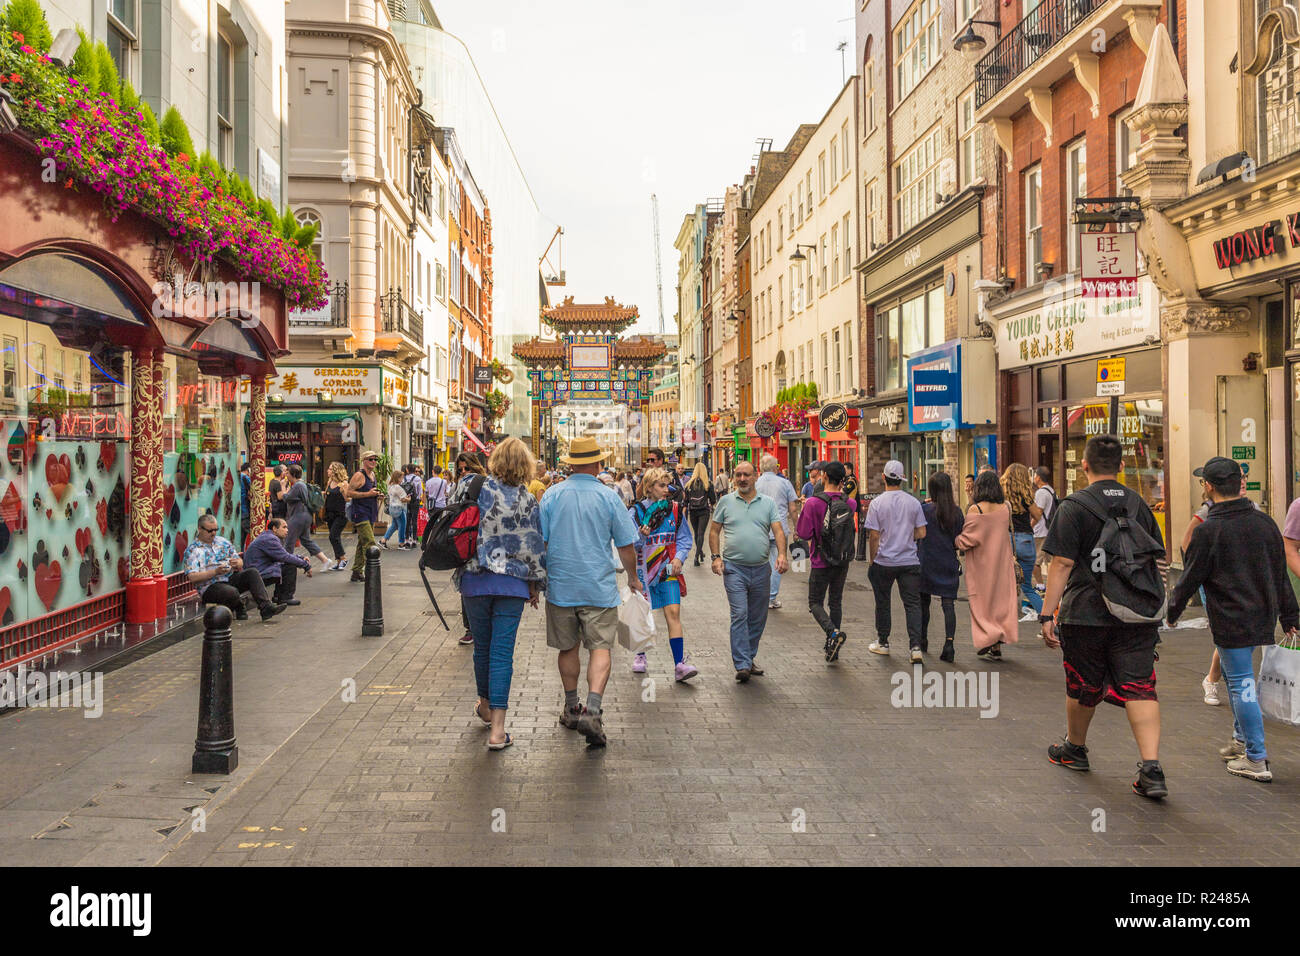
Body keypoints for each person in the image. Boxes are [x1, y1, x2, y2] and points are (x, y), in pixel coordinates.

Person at [1039, 435, 1168, 800]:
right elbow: (1155, 556)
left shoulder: (1074, 506)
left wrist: (1047, 614)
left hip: (1086, 612)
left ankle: (1075, 749)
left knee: (1082, 683)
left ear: (1084, 466)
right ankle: (1151, 768)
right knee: (1141, 685)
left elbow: (1061, 563)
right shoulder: (1139, 504)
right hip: (1136, 613)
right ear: (1123, 467)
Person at [1168, 457, 1298, 783]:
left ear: (1208, 487)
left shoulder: (1209, 530)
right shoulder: (1265, 523)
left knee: (1242, 686)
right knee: (1236, 678)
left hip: (1230, 619)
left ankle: (1256, 757)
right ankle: (1241, 739)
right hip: (1262, 616)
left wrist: (1172, 610)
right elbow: (1279, 574)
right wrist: (1290, 615)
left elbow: (1190, 577)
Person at [540, 436, 641, 747]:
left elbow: (540, 543)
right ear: (598, 464)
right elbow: (626, 546)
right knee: (600, 648)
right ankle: (593, 710)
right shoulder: (609, 497)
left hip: (561, 586)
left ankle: (572, 708)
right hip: (598, 586)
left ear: (571, 465)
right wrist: (634, 578)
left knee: (568, 649)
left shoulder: (551, 496)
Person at [455, 437, 546, 751]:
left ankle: (483, 703)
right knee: (502, 653)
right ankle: (497, 730)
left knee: (482, 647)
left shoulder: (473, 487)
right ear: (525, 466)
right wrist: (535, 585)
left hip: (475, 579)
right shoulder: (527, 500)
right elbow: (535, 546)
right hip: (512, 584)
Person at [709, 459, 789, 682]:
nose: (742, 479)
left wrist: (782, 555)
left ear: (756, 476)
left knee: (758, 617)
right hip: (734, 569)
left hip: (762, 569)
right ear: (734, 478)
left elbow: (779, 531)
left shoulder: (768, 503)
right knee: (740, 614)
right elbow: (714, 531)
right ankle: (742, 663)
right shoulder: (725, 502)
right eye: (738, 475)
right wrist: (716, 557)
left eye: (746, 475)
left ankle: (749, 656)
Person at [629, 467, 698, 681]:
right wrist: (640, 537)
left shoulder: (675, 510)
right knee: (643, 614)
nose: (666, 490)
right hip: (643, 570)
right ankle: (640, 655)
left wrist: (679, 558)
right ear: (649, 488)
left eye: (667, 485)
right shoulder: (636, 512)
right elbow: (627, 544)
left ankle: (679, 664)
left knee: (674, 613)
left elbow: (684, 538)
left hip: (668, 570)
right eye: (661, 485)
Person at [864, 460, 927, 662]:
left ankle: (883, 642)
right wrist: (907, 537)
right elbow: (922, 532)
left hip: (884, 561)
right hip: (909, 560)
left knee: (883, 602)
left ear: (883, 477)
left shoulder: (877, 503)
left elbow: (874, 536)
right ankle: (915, 647)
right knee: (912, 604)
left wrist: (872, 559)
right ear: (901, 479)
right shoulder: (913, 502)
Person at [796, 460, 857, 663]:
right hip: (842, 560)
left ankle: (832, 633)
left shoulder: (813, 503)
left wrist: (803, 511)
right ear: (842, 480)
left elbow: (803, 533)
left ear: (824, 477)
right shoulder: (851, 503)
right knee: (835, 602)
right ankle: (833, 646)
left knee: (815, 602)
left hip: (820, 560)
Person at [955, 470, 1019, 662]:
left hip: (982, 565)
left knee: (983, 603)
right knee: (1000, 603)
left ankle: (988, 638)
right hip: (1002, 562)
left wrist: (955, 540)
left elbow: (967, 540)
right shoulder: (1006, 507)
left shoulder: (976, 510)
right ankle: (997, 644)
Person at [183, 513, 286, 621]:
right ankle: (239, 606)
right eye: (210, 531)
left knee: (252, 573)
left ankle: (266, 608)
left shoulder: (222, 542)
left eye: (215, 530)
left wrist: (237, 563)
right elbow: (192, 577)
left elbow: (240, 561)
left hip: (229, 577)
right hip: (210, 585)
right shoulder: (193, 550)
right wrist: (215, 572)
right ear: (200, 529)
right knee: (230, 592)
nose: (213, 533)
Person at [918, 471, 964, 664]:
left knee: (923, 603)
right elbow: (958, 539)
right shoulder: (956, 512)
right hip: (948, 562)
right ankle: (949, 644)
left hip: (926, 561)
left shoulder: (924, 510)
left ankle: (922, 639)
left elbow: (917, 532)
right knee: (948, 605)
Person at [450, 452, 489, 645]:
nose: (464, 472)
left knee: (468, 582)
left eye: (467, 468)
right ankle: (476, 628)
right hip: (484, 541)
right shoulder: (489, 482)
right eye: (461, 469)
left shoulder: (464, 484)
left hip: (468, 539)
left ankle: (471, 629)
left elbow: (452, 507)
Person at [754, 454, 799, 609]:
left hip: (758, 529)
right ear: (775, 467)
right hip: (779, 529)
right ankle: (771, 597)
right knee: (777, 562)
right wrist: (797, 528)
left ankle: (759, 596)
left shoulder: (755, 483)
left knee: (759, 564)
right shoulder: (785, 483)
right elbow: (793, 509)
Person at [1002, 463, 1045, 619]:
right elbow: (1038, 516)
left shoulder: (1000, 496)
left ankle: (1006, 619)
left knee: (1005, 584)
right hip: (1025, 540)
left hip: (1006, 541)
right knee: (1027, 586)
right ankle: (1046, 618)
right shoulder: (1025, 496)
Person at [245, 517, 314, 606]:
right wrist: (306, 565)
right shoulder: (270, 539)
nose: (287, 530)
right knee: (289, 566)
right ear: (274, 528)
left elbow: (282, 554)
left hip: (259, 570)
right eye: (284, 527)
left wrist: (300, 558)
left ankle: (278, 596)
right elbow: (285, 557)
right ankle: (285, 597)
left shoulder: (269, 536)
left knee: (285, 564)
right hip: (257, 574)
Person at [282, 464, 333, 582]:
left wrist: (283, 488)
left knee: (289, 540)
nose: (286, 475)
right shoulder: (301, 484)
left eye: (288, 473)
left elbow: (286, 498)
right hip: (305, 515)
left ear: (293, 474)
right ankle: (325, 560)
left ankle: (286, 566)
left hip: (298, 517)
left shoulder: (297, 486)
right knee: (306, 540)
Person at [345, 451, 383, 583]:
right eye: (371, 459)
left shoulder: (373, 475)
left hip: (371, 512)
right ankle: (372, 572)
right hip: (360, 513)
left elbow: (370, 493)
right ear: (364, 461)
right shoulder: (358, 475)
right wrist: (368, 494)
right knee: (370, 543)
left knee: (362, 543)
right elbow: (348, 493)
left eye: (375, 459)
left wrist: (377, 496)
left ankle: (356, 571)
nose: (374, 462)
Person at [684, 462, 717, 567]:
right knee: (701, 533)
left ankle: (700, 553)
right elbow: (713, 500)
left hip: (693, 511)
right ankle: (697, 557)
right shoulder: (708, 484)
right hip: (704, 511)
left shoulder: (689, 485)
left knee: (696, 533)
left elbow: (686, 501)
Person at [1031, 466, 1056, 590]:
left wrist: (1030, 526)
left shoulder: (1041, 492)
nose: (1034, 478)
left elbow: (1038, 513)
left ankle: (1040, 585)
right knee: (1050, 561)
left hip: (1040, 531)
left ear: (1039, 478)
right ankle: (1053, 585)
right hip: (1049, 530)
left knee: (1035, 561)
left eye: (1035, 475)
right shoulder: (1051, 490)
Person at [323, 462, 350, 571]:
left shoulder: (343, 484)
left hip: (341, 514)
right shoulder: (330, 482)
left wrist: (343, 491)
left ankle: (343, 558)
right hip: (330, 514)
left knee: (333, 536)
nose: (327, 471)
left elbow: (348, 499)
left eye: (330, 469)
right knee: (334, 537)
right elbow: (326, 495)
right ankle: (338, 561)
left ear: (336, 471)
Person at [380, 472, 410, 549]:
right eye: (401, 478)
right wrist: (409, 499)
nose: (402, 479)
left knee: (394, 525)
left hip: (392, 508)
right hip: (399, 508)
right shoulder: (397, 487)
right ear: (398, 478)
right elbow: (403, 499)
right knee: (402, 525)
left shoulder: (390, 486)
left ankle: (383, 540)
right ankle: (401, 543)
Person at [402, 464, 423, 548]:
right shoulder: (418, 479)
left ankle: (406, 540)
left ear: (407, 470)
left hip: (406, 501)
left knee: (407, 520)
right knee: (414, 521)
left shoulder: (404, 478)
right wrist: (418, 498)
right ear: (415, 470)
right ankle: (414, 540)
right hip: (415, 501)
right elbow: (420, 492)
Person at [238, 462, 251, 544]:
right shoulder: (245, 477)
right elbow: (253, 493)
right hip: (244, 510)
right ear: (248, 470)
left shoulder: (238, 477)